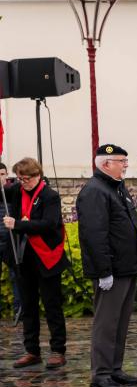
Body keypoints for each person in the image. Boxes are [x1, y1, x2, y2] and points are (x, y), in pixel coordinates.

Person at [76, 144, 137, 387]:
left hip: (126, 267)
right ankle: (101, 373)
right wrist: (104, 271)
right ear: (105, 164)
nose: (126, 164)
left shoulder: (116, 188)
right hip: (112, 270)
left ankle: (115, 368)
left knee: (120, 321)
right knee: (106, 323)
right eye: (121, 161)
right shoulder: (95, 191)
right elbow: (94, 235)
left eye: (126, 160)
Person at [2, 157, 68, 368]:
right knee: (28, 306)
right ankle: (32, 350)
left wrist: (18, 224)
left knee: (52, 306)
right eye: (19, 179)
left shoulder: (50, 196)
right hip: (23, 258)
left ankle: (58, 350)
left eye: (27, 179)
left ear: (37, 175)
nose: (23, 183)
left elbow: (49, 224)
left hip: (46, 256)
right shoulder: (16, 191)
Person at [0, 162, 24, 324]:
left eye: (3, 174)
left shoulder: (13, 191)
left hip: (10, 240)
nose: (1, 178)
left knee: (16, 275)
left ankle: (19, 309)